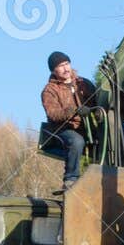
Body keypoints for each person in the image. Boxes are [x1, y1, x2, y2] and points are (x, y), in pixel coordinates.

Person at [40, 51, 96, 187]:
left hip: (85, 127)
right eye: (60, 66)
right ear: (54, 70)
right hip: (63, 129)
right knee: (76, 141)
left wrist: (92, 111)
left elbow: (97, 102)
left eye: (67, 64)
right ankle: (71, 178)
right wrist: (74, 111)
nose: (65, 68)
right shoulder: (49, 90)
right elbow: (53, 114)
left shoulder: (84, 83)